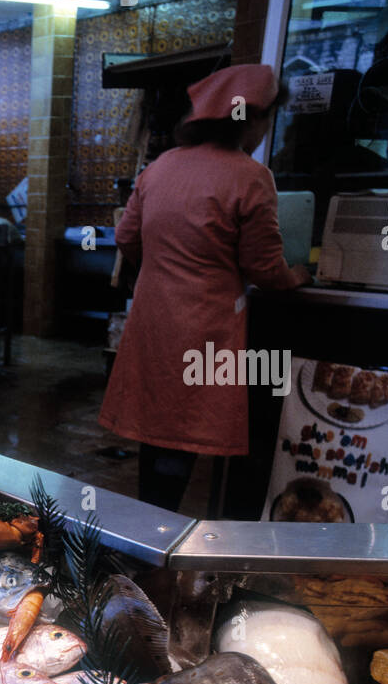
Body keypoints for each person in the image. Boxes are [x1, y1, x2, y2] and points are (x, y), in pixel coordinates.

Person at [99, 64, 312, 512]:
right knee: (186, 427)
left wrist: (162, 269)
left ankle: (150, 531)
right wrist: (298, 275)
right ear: (250, 120)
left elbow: (126, 237)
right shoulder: (250, 177)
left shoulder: (159, 169)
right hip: (206, 327)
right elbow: (264, 267)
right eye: (266, 120)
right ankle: (167, 549)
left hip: (155, 320)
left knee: (159, 432)